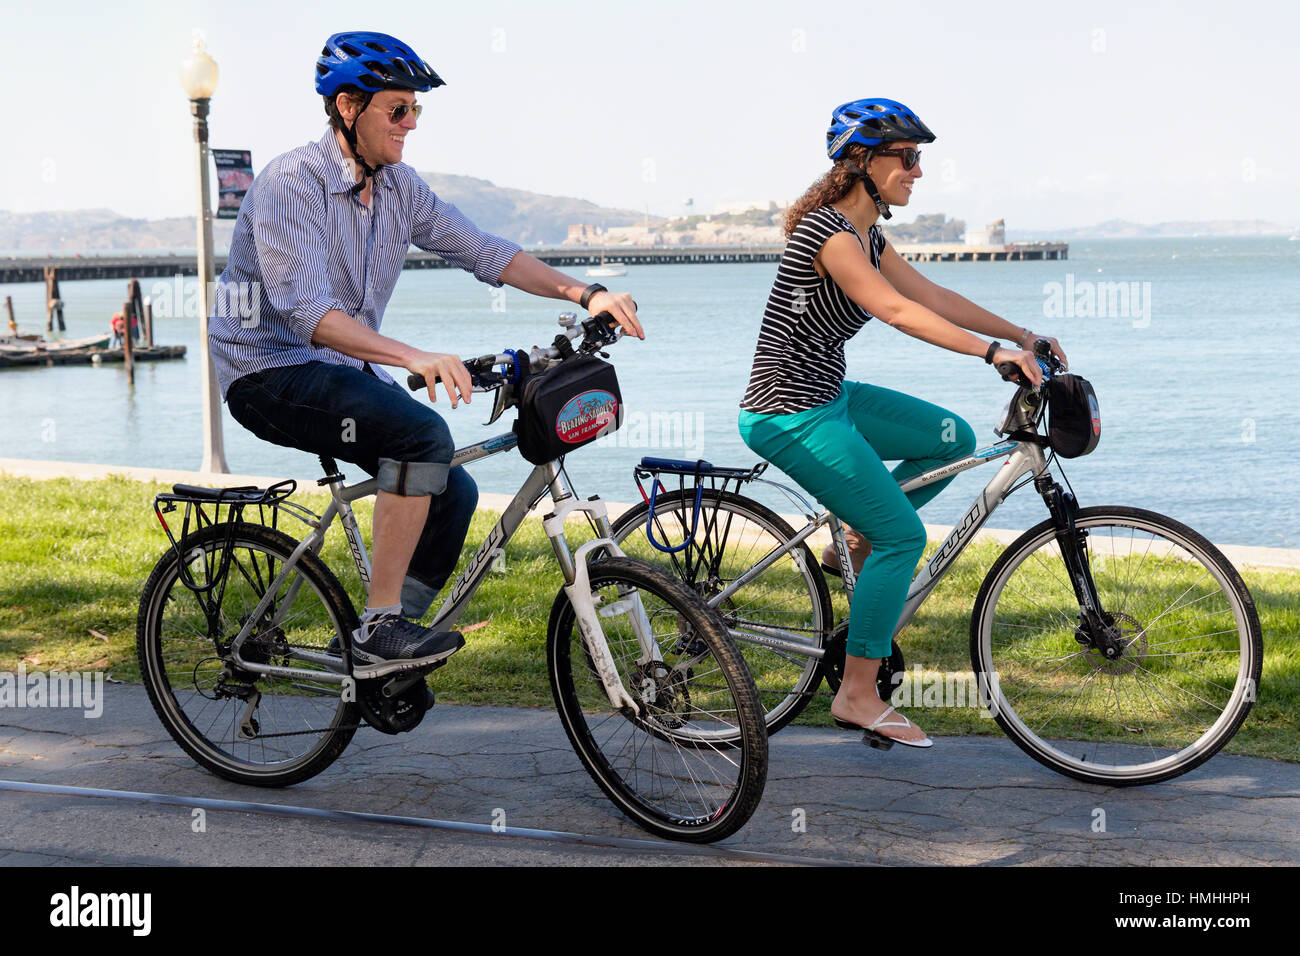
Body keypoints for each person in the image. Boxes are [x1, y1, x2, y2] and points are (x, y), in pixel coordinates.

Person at [209, 31, 642, 677]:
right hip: (267, 371)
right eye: (398, 109)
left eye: (416, 111)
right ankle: (378, 627)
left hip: (340, 370)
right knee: (420, 435)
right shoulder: (289, 183)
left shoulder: (398, 189)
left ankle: (386, 654)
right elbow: (308, 316)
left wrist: (587, 292)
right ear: (349, 107)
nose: (411, 124)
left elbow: (485, 251)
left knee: (453, 488)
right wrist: (414, 356)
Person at [738, 98, 1066, 747]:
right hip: (787, 411)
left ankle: (852, 539)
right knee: (902, 538)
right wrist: (991, 354)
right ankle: (858, 693)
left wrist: (1019, 333)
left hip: (829, 393)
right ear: (861, 161)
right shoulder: (828, 236)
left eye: (920, 159)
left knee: (951, 438)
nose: (918, 171)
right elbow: (894, 311)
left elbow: (931, 296)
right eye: (908, 158)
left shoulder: (868, 233)